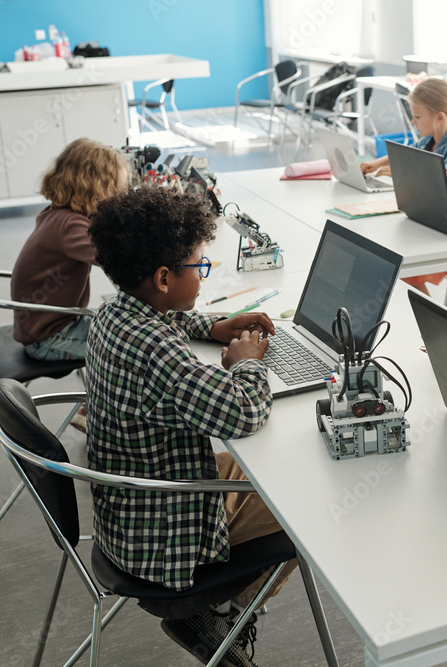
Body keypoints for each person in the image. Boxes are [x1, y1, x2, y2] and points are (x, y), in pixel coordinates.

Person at [85, 186, 289, 667]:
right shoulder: (159, 352)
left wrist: (216, 326)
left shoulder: (113, 314)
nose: (204, 272)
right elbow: (243, 413)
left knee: (266, 474)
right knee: (305, 505)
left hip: (129, 505)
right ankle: (215, 615)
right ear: (162, 277)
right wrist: (245, 362)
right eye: (199, 265)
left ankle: (214, 613)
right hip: (167, 536)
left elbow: (172, 321)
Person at [11, 138, 128, 361]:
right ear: (97, 187)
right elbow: (120, 258)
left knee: (123, 325)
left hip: (53, 323)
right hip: (49, 337)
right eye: (117, 190)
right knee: (133, 348)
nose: (119, 198)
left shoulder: (57, 214)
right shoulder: (70, 226)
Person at [360, 77, 447, 295]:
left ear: (439, 117)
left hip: (445, 230)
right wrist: (374, 163)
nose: (413, 122)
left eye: (417, 116)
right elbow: (403, 155)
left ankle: (428, 322)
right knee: (386, 255)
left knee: (404, 269)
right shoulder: (428, 140)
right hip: (424, 220)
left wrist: (402, 174)